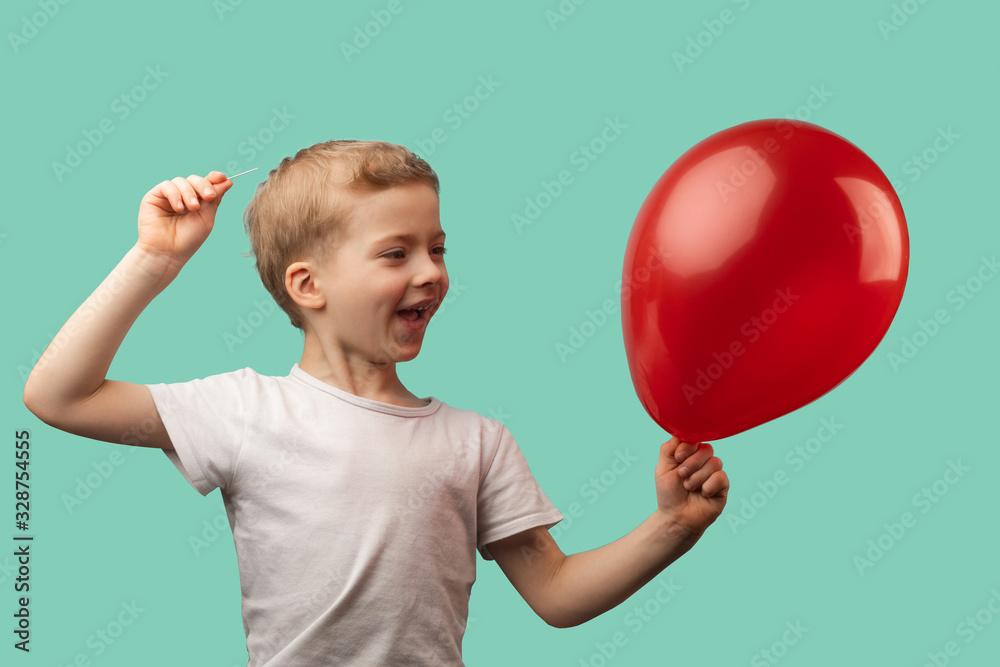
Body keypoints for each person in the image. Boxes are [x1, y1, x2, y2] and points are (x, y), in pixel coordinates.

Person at [22, 140, 729, 665]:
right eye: (396, 253)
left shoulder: (476, 441)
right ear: (307, 285)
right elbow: (60, 394)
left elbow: (556, 593)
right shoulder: (243, 409)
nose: (431, 272)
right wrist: (157, 258)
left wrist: (672, 527)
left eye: (438, 248)